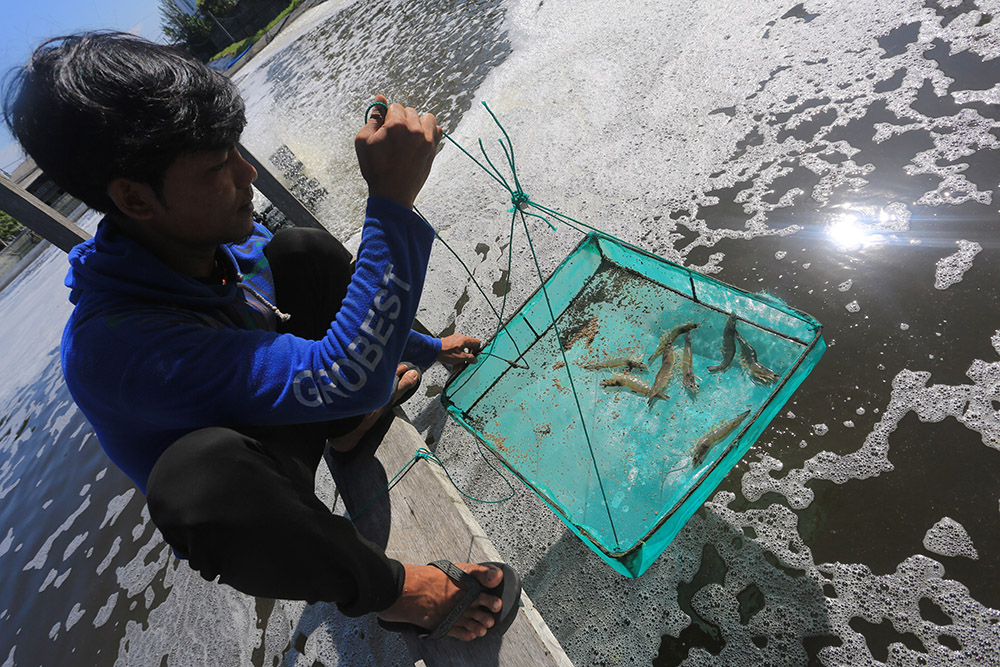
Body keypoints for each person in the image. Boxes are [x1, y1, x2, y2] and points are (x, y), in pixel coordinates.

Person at [2, 31, 520, 641]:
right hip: (261, 487)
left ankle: (347, 429)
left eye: (235, 149)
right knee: (198, 480)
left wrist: (428, 349)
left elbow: (345, 322)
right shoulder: (117, 349)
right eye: (220, 165)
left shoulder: (203, 235)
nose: (248, 172)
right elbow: (338, 373)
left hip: (296, 409)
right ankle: (399, 594)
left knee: (303, 251)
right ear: (135, 198)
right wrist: (390, 205)